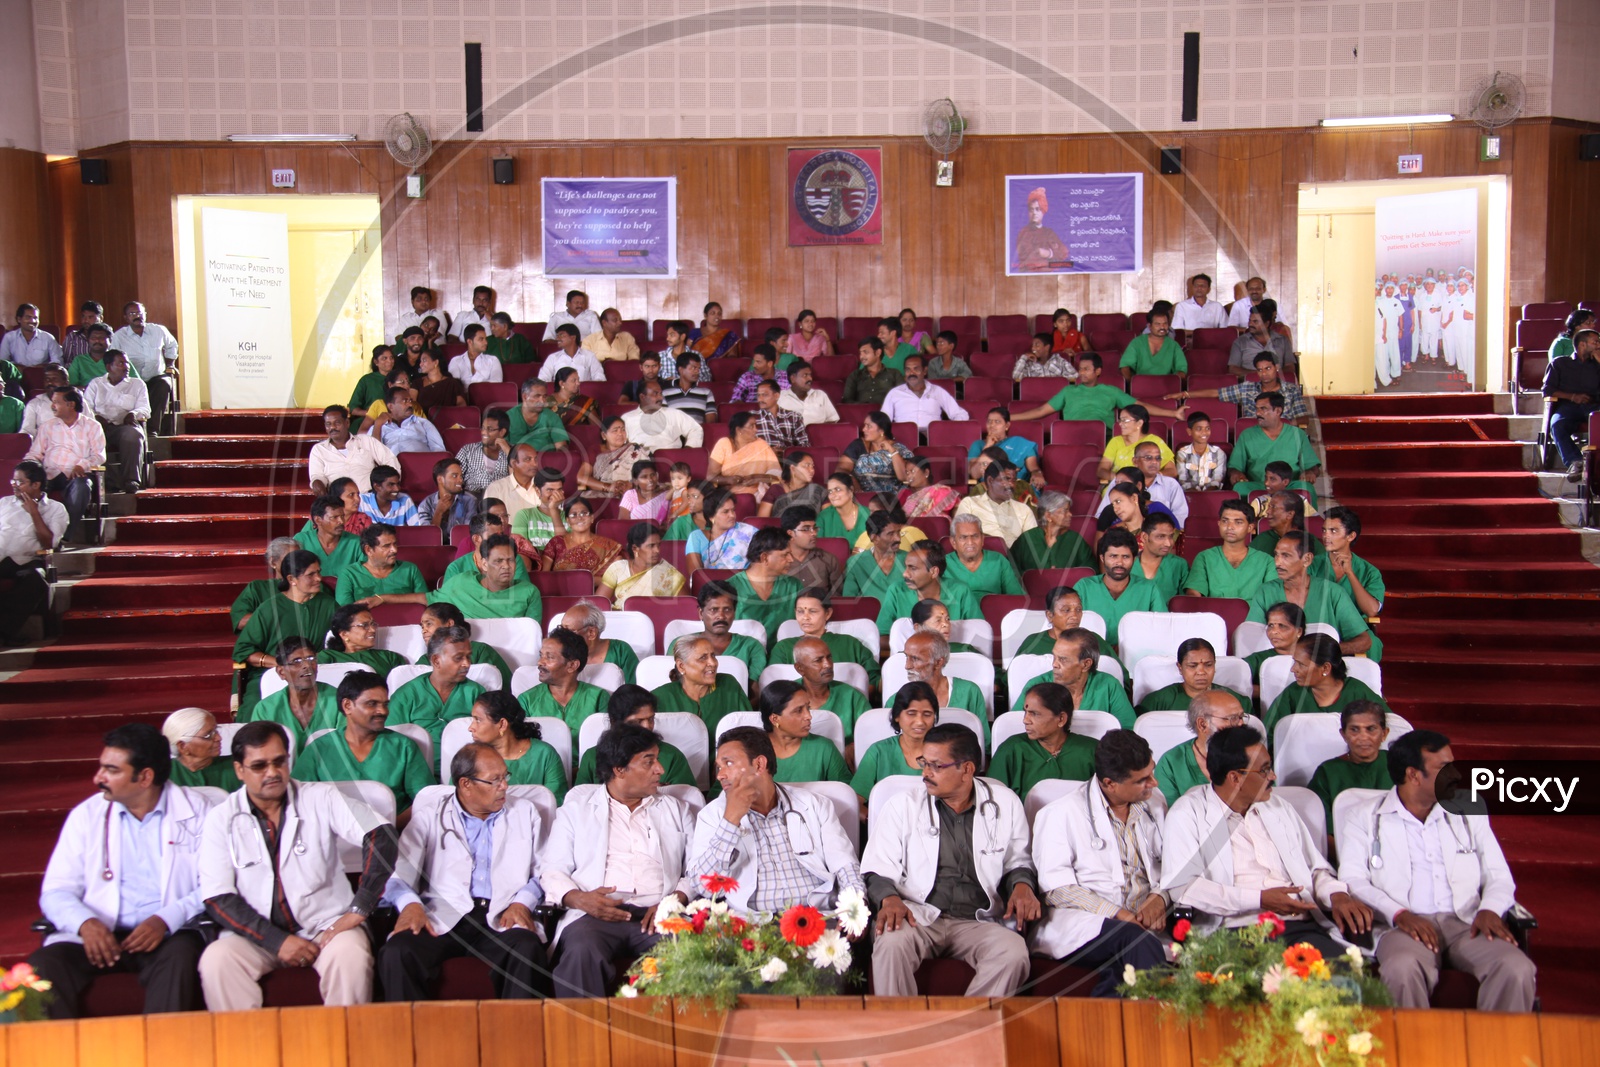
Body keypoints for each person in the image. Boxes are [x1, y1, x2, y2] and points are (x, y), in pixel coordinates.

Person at [198, 722, 397, 1010]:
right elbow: (218, 897)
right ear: (239, 770)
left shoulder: (319, 797)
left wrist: (361, 907)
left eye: (279, 761)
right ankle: (248, 1042)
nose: (272, 772)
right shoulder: (221, 818)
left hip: (327, 927)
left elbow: (381, 833)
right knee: (217, 960)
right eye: (259, 766)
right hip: (257, 936)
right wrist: (277, 941)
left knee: (350, 955)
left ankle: (344, 1039)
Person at [1336, 729, 1536, 1012]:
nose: (1456, 774)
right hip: (1403, 926)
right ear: (1413, 775)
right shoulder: (1364, 816)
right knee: (1401, 969)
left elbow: (1499, 875)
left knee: (1516, 968)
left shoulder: (1468, 809)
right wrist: (1399, 914)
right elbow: (1353, 879)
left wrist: (1490, 909)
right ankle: (1416, 1043)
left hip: (1466, 922)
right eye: (1444, 767)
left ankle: (1497, 1043)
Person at [30, 723, 213, 1020]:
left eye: (111, 770)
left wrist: (165, 919)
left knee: (180, 958)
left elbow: (214, 885)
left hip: (169, 934)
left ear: (145, 777)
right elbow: (56, 890)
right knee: (45, 966)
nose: (98, 778)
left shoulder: (200, 812)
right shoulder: (86, 815)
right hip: (97, 937)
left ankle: (162, 1048)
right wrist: (85, 923)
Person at [1159, 724, 1373, 958]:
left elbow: (1315, 869)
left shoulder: (1278, 807)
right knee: (1267, 977)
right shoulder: (1188, 813)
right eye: (1264, 770)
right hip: (1233, 932)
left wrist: (1336, 894)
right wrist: (1260, 900)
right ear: (1235, 778)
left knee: (1339, 972)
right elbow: (1183, 887)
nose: (1273, 776)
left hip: (1298, 927)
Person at [862, 723, 1040, 997]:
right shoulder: (902, 805)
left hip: (978, 921)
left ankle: (969, 1022)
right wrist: (890, 899)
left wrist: (1022, 886)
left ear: (967, 769)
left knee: (1013, 953)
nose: (925, 773)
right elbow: (877, 867)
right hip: (918, 915)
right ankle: (900, 1024)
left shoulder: (1005, 802)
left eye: (936, 766)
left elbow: (1018, 860)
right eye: (924, 762)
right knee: (890, 943)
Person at [376, 741, 548, 1000]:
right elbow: (398, 870)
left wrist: (522, 903)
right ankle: (411, 1028)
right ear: (466, 784)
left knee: (527, 948)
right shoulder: (431, 815)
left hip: (503, 913)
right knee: (398, 951)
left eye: (505, 777)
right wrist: (410, 905)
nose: (504, 786)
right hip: (442, 913)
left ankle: (516, 1027)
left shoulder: (525, 812)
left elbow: (545, 870)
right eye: (495, 780)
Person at [544, 723, 695, 997]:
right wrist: (580, 899)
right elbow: (552, 869)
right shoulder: (575, 812)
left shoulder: (677, 810)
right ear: (619, 769)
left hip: (659, 913)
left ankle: (669, 1026)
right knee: (581, 951)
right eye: (649, 761)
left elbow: (696, 869)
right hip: (594, 915)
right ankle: (583, 1027)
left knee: (687, 947)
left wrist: (672, 901)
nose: (660, 769)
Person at [1030, 729, 1169, 996]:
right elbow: (1058, 889)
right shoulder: (1060, 813)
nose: (1154, 783)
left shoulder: (1154, 804)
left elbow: (1171, 865)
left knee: (1123, 965)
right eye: (1142, 780)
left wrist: (1159, 897)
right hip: (1088, 922)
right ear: (1109, 783)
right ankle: (1157, 1017)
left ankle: (1106, 1019)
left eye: (1151, 771)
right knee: (1134, 940)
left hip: (1142, 922)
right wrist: (1121, 915)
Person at [688, 724, 863, 915]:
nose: (720, 775)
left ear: (759, 764)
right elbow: (704, 887)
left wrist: (855, 911)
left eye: (728, 763)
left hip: (818, 918)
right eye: (719, 767)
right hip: (751, 924)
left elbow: (845, 865)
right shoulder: (712, 815)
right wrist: (730, 821)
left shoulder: (814, 804)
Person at [294, 671, 433, 815]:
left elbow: (426, 800)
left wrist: (390, 825)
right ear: (347, 705)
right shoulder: (319, 749)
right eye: (372, 704)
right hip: (333, 828)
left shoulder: (403, 747)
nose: (382, 711)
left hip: (396, 827)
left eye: (385, 704)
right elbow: (298, 799)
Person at [232, 552, 336, 718]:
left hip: (317, 670)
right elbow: (244, 651)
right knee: (254, 709)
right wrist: (284, 664)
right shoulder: (269, 609)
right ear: (291, 579)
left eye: (319, 572)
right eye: (311, 574)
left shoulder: (328, 604)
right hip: (270, 672)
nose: (318, 578)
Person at [1247, 532, 1379, 661]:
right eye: (1276, 555)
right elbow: (1252, 636)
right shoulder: (1265, 591)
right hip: (1275, 667)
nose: (1278, 562)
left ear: (1307, 559)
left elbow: (1364, 641)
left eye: (1286, 556)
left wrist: (1323, 651)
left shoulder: (1333, 592)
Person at [387, 625, 485, 770]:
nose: (466, 664)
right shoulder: (406, 696)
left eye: (468, 656)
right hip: (417, 771)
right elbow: (392, 743)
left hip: (467, 771)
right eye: (458, 658)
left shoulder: (475, 692)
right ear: (436, 660)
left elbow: (489, 737)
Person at [1263, 633, 1392, 738]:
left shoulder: (1357, 692)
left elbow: (1390, 726)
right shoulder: (1293, 693)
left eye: (1301, 664)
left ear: (1325, 668)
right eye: (1295, 662)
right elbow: (1268, 735)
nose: (1293, 669)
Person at [572, 685, 696, 787]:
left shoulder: (671, 756)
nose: (647, 727)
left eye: (651, 719)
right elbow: (581, 800)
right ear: (614, 722)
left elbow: (686, 800)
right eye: (637, 722)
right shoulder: (592, 757)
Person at [990, 681, 1098, 798]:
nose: (1025, 720)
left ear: (1061, 719)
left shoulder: (1092, 751)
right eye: (1025, 712)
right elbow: (993, 799)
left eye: (1034, 714)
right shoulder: (1011, 750)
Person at [24, 386, 105, 540]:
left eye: (56, 402)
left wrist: (82, 465)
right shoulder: (47, 426)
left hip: (77, 475)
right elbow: (35, 453)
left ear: (71, 404)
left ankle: (62, 537)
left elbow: (99, 455)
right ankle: (30, 537)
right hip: (49, 473)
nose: (52, 406)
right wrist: (28, 465)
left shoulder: (92, 426)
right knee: (29, 484)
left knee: (82, 487)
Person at [1009, 630, 1136, 727]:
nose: (1054, 664)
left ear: (1086, 664)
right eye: (1054, 657)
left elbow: (1128, 732)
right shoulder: (1036, 686)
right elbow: (1014, 728)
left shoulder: (1109, 686)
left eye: (1063, 659)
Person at [0, 461, 67, 643]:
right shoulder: (4, 503)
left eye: (20, 482)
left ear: (36, 484)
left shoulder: (55, 509)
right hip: (1, 558)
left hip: (28, 561)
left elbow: (49, 543)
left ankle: (5, 632)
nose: (14, 485)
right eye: (13, 481)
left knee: (36, 580)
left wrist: (34, 513)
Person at [1305, 701, 1393, 837]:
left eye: (1371, 729)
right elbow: (1320, 829)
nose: (1363, 737)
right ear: (1343, 734)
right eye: (1354, 730)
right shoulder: (1328, 772)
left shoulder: (1400, 765)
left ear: (1384, 733)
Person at [243, 636, 342, 751]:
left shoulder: (339, 699)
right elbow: (260, 752)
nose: (307, 665)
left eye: (311, 659)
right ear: (281, 672)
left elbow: (348, 748)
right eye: (297, 661)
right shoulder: (265, 709)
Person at [1073, 530, 1166, 649]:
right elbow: (1070, 627)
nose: (1119, 563)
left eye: (1126, 557)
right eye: (1113, 556)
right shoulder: (1084, 587)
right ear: (1102, 558)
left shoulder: (1149, 589)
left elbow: (1161, 629)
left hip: (1137, 653)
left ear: (1134, 559)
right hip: (1091, 654)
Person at [1153, 690, 1245, 806]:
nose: (1241, 724)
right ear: (1202, 724)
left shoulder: (1253, 754)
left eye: (1241, 717)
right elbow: (1169, 812)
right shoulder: (1171, 763)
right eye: (1233, 718)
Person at [651, 633, 750, 739]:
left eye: (713, 656)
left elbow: (750, 729)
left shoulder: (729, 685)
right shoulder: (660, 697)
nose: (713, 663)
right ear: (681, 666)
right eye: (703, 658)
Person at [751, 679, 850, 783]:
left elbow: (845, 789)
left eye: (808, 708)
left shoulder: (824, 748)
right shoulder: (752, 750)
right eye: (798, 711)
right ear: (775, 719)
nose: (809, 716)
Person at [877, 541, 981, 636]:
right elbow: (882, 635)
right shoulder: (897, 590)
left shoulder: (960, 591)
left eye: (913, 568)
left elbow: (980, 633)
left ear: (934, 572)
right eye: (906, 567)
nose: (905, 574)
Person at [430, 534, 544, 620]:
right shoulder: (461, 583)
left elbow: (532, 634)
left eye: (510, 560)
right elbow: (428, 599)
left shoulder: (529, 592)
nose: (506, 566)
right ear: (484, 564)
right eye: (498, 561)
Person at [81, 351, 148, 494]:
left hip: (124, 426)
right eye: (121, 363)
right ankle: (108, 483)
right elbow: (85, 408)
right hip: (99, 427)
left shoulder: (137, 384)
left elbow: (145, 408)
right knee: (88, 438)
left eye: (127, 363)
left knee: (133, 435)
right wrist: (95, 417)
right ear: (108, 367)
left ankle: (131, 480)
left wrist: (134, 413)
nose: (126, 367)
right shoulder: (96, 384)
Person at [518, 628, 609, 732]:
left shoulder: (598, 698)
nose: (540, 662)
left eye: (549, 657)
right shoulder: (527, 700)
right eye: (541, 655)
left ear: (572, 665)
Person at [1228, 393, 1319, 491]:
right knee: (1240, 488)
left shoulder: (1297, 434)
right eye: (1257, 409)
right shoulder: (1247, 435)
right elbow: (1234, 466)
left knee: (1307, 488)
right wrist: (1235, 473)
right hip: (1258, 486)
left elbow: (1312, 466)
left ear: (1278, 411)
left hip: (1289, 486)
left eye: (1263, 409)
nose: (1258, 413)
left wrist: (1310, 472)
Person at [108, 302, 177, 430]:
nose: (137, 316)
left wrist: (170, 364)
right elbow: (113, 357)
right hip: (131, 380)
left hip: (155, 377)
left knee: (165, 384)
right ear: (126, 317)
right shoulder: (119, 336)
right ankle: (132, 428)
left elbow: (172, 345)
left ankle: (152, 430)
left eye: (139, 313)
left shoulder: (158, 330)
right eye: (132, 313)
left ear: (145, 314)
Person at [1136, 638, 1250, 714]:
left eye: (1208, 665)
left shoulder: (1236, 701)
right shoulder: (1157, 701)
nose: (1201, 672)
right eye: (1192, 666)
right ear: (1180, 667)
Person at [1543, 327, 1600, 480]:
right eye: (1595, 342)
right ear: (1582, 344)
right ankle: (1575, 462)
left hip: (1595, 406)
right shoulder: (1560, 363)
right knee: (1557, 424)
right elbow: (1548, 390)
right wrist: (1573, 397)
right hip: (1569, 406)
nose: (1599, 345)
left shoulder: (1597, 363)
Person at [1311, 506, 1385, 617]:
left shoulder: (1369, 572)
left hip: (1354, 627)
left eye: (1333, 531)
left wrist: (1350, 573)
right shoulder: (1311, 564)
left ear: (1351, 536)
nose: (1326, 536)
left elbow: (1372, 610)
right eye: (1324, 530)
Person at [309, 405, 400, 495]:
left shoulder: (366, 441)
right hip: (338, 501)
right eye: (328, 424)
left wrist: (387, 488)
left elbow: (390, 460)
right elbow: (317, 476)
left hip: (369, 498)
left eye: (337, 423)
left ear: (347, 423)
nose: (332, 427)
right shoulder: (319, 450)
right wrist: (317, 483)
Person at [1099, 439, 1187, 527]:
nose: (1154, 462)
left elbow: (1180, 518)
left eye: (1158, 458)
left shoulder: (1171, 484)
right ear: (1135, 461)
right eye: (1148, 458)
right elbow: (1102, 516)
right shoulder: (1119, 482)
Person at [336, 524, 427, 608]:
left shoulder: (410, 569)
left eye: (395, 544)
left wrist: (383, 599)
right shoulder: (349, 574)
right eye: (386, 546)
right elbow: (344, 613)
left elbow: (425, 601)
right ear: (368, 550)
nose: (394, 550)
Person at [598, 521, 685, 605]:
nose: (657, 550)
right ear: (635, 548)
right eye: (651, 546)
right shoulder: (618, 569)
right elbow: (599, 605)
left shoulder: (668, 574)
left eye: (658, 545)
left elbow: (686, 607)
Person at [953, 462, 1038, 549]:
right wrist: (994, 543)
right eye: (1006, 479)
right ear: (990, 481)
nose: (1012, 485)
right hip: (981, 553)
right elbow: (961, 535)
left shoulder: (1024, 510)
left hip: (1014, 555)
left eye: (1014, 480)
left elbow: (1033, 543)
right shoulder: (969, 504)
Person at [943, 512, 1024, 600]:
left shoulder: (998, 560)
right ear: (953, 542)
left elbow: (1017, 597)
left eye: (975, 536)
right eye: (963, 537)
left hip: (994, 608)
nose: (970, 542)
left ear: (982, 539)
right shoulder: (943, 564)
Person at [881, 352, 969, 432]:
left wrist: (946, 430)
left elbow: (960, 414)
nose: (911, 373)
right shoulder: (894, 393)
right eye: (908, 370)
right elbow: (883, 421)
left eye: (916, 369)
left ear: (925, 371)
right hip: (903, 438)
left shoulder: (937, 391)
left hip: (932, 439)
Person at [1006, 490, 1087, 573]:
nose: (1070, 514)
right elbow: (1010, 570)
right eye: (1065, 511)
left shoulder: (1075, 539)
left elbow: (1088, 570)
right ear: (1048, 516)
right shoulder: (1027, 539)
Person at [319, 604, 408, 679]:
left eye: (373, 624)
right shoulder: (328, 657)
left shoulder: (389, 657)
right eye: (364, 625)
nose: (373, 630)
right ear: (344, 634)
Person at [293, 493, 365, 582]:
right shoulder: (301, 540)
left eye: (342, 516)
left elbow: (363, 577)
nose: (341, 521)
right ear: (318, 520)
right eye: (334, 517)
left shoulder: (356, 542)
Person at [162, 708, 240, 791]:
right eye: (208, 735)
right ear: (183, 746)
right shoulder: (163, 773)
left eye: (216, 731)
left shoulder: (238, 765)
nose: (218, 738)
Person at [708, 412, 781, 499]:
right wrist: (728, 480)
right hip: (728, 495)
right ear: (739, 430)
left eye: (756, 425)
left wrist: (756, 478)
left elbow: (777, 475)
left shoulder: (761, 445)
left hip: (759, 493)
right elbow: (710, 477)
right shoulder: (724, 443)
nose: (756, 430)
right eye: (751, 426)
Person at [623, 378, 705, 452]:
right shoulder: (627, 418)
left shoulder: (674, 414)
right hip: (638, 461)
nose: (661, 398)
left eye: (661, 394)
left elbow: (695, 429)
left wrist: (688, 450)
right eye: (655, 394)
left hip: (671, 459)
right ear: (642, 397)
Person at [685, 489, 757, 571]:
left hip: (743, 579)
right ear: (711, 516)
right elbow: (695, 573)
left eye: (733, 510)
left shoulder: (748, 532)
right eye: (725, 512)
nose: (732, 515)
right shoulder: (696, 537)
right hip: (709, 579)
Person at [1242, 601, 1306, 691]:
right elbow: (1237, 685)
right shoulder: (1257, 660)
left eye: (1282, 626)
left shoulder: (1312, 659)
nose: (1273, 631)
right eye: (1271, 625)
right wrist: (1267, 692)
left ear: (1299, 631)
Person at [776, 506, 840, 596]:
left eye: (814, 528)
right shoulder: (776, 562)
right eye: (806, 529)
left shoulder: (828, 559)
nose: (814, 533)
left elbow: (838, 598)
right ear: (790, 534)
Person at [968, 407, 1041, 483]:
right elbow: (974, 474)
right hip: (988, 487)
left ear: (1007, 425)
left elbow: (1034, 469)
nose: (992, 425)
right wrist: (987, 447)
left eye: (997, 421)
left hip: (1017, 486)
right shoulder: (978, 445)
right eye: (989, 421)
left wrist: (1037, 474)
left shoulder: (1021, 444)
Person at [1128, 512, 1189, 601]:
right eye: (1160, 537)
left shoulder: (1179, 565)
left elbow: (1186, 603)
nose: (1168, 543)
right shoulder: (1128, 564)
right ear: (1144, 537)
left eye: (1171, 536)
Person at [374, 386, 446, 456]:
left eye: (410, 400)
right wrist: (377, 425)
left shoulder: (423, 423)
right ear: (391, 406)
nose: (410, 404)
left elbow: (439, 451)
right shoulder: (379, 427)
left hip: (420, 462)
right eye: (405, 401)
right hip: (391, 463)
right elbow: (373, 453)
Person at [454, 410, 512, 496]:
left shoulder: (513, 452)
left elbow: (520, 481)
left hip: (500, 499)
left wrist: (509, 452)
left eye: (490, 429)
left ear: (502, 432)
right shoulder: (468, 450)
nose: (484, 432)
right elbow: (454, 475)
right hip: (471, 497)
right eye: (483, 428)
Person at [1014, 186, 1071, 270]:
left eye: (1037, 209)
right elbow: (1029, 258)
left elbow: (1064, 252)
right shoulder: (1024, 233)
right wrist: (1050, 253)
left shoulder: (1049, 232)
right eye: (1031, 210)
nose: (1034, 213)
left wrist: (1048, 253)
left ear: (1043, 211)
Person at [417, 457, 480, 533]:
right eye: (454, 476)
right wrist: (438, 513)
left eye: (461, 476)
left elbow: (468, 533)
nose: (461, 480)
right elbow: (428, 536)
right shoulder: (426, 505)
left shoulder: (469, 500)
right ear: (440, 479)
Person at [1120, 309, 1187, 379]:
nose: (1162, 327)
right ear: (1150, 326)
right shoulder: (1137, 342)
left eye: (1165, 323)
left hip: (1166, 384)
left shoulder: (1174, 345)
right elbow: (1125, 366)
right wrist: (1132, 382)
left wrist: (1172, 382)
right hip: (1141, 384)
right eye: (1157, 324)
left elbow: (1181, 370)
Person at [1173, 411, 1229, 492]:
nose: (1204, 432)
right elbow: (1183, 480)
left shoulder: (1218, 453)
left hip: (1212, 494)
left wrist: (1205, 496)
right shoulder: (1182, 453)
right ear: (1189, 431)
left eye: (1207, 428)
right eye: (1199, 429)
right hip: (1190, 494)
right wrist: (1197, 496)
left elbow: (1218, 479)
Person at [841, 338, 905, 406]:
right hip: (861, 412)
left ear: (878, 353)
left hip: (886, 412)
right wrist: (866, 407)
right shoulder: (855, 375)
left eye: (865, 352)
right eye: (860, 353)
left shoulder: (894, 374)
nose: (861, 356)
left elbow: (903, 398)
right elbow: (847, 400)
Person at [777, 359, 841, 425]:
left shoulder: (820, 395)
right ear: (793, 378)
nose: (810, 378)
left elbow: (832, 420)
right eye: (805, 375)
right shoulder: (780, 397)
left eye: (810, 375)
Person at [764, 452, 825, 518]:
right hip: (780, 525)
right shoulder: (775, 489)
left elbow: (829, 518)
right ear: (792, 468)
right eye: (807, 466)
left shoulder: (817, 491)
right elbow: (762, 520)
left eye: (812, 466)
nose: (812, 470)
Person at [2, 302, 63, 368]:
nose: (33, 321)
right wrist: (17, 368)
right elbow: (3, 362)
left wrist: (41, 367)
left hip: (42, 373)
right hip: (16, 373)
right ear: (19, 319)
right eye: (28, 317)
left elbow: (58, 362)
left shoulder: (48, 338)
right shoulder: (9, 337)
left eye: (35, 318)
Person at [662, 353, 718, 423]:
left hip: (698, 429)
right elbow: (663, 421)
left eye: (698, 368)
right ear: (681, 370)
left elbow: (711, 423)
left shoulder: (706, 393)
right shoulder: (665, 393)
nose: (697, 372)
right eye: (694, 368)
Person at [817, 471, 868, 546]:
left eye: (838, 489)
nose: (833, 495)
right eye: (830, 491)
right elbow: (818, 546)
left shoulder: (867, 514)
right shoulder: (823, 517)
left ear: (851, 490)